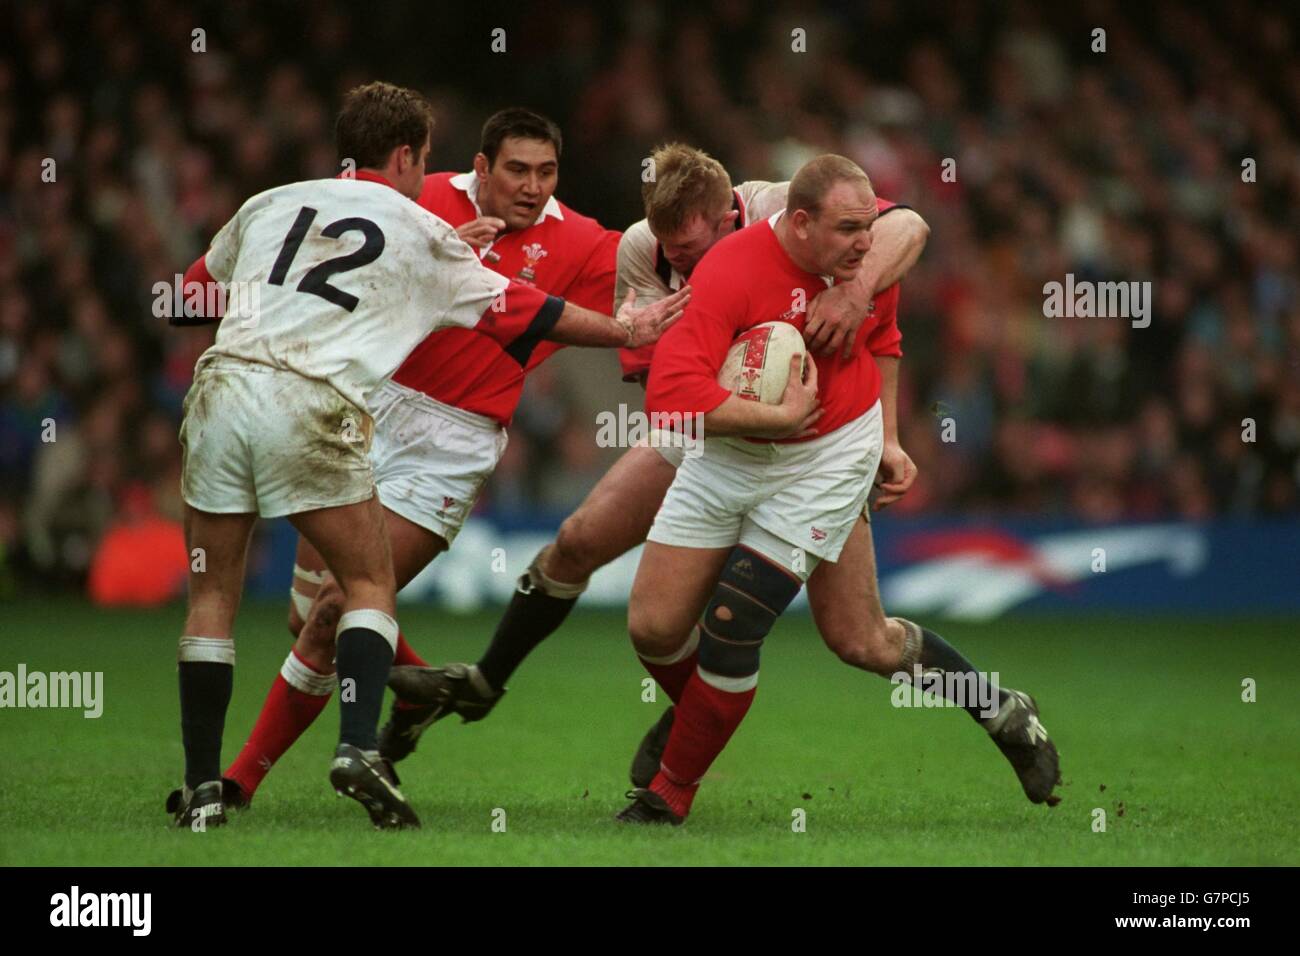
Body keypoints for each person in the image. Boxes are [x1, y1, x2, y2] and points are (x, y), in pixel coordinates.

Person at [165, 84, 687, 831]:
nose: (533, 186)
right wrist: (624, 333)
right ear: (449, 162)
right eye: (518, 170)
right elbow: (523, 312)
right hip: (348, 408)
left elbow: (188, 300)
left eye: (547, 172)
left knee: (294, 610)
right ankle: (382, 718)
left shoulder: (273, 200)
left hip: (298, 405)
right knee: (332, 606)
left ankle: (223, 787)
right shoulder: (427, 216)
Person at [610, 154, 1060, 824]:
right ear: (798, 223)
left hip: (826, 456)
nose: (865, 239)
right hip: (729, 451)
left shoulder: (864, 270)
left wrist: (887, 438)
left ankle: (669, 795)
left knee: (734, 625)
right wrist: (775, 416)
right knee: (842, 639)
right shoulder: (731, 269)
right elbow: (671, 399)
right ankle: (996, 704)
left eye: (866, 224)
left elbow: (885, 339)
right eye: (850, 226)